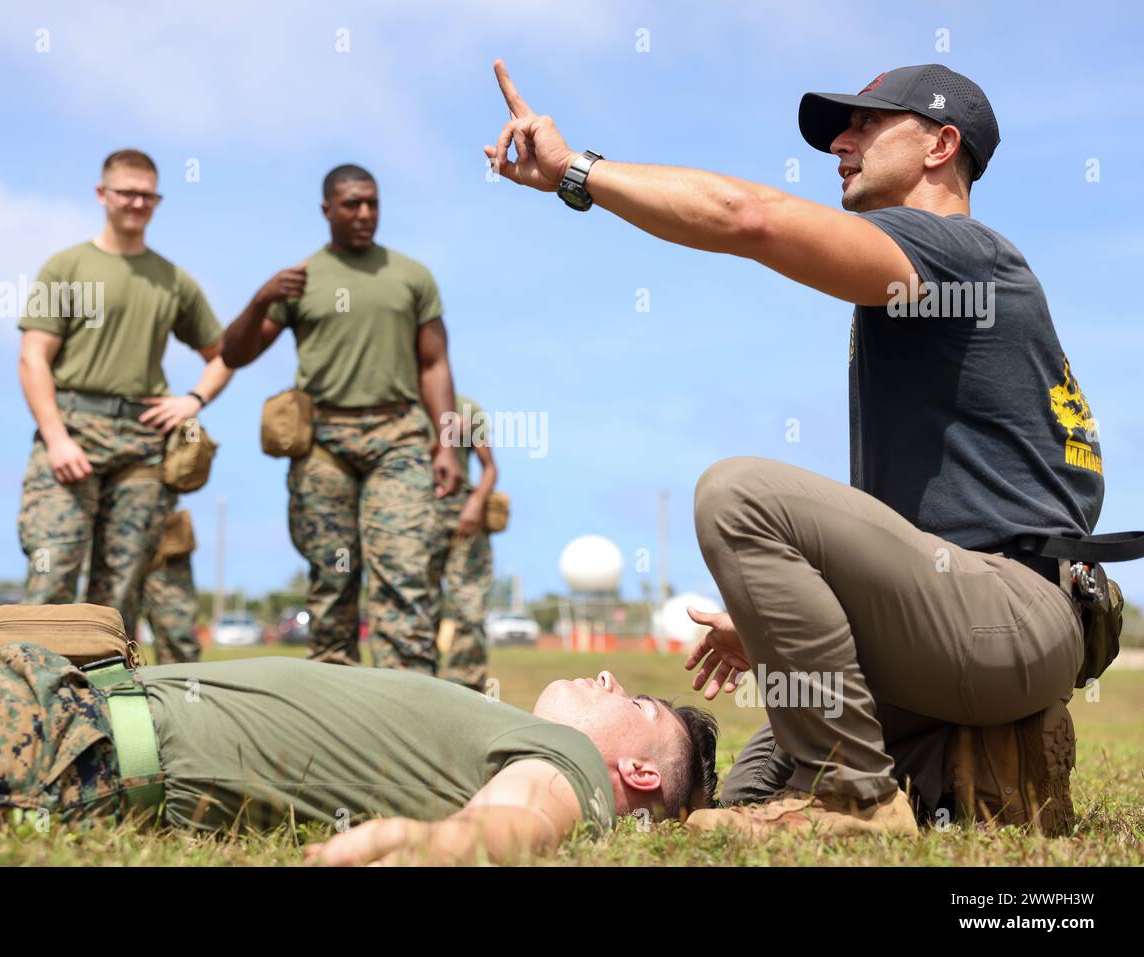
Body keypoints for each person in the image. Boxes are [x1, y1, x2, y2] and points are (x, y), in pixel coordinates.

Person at [484, 61, 1101, 836]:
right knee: (750, 787)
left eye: (867, 125)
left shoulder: (956, 253)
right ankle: (919, 784)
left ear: (943, 144)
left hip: (1010, 617)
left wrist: (580, 171)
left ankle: (861, 804)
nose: (841, 143)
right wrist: (788, 618)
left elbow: (752, 218)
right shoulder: (930, 288)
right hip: (971, 623)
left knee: (737, 493)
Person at [0, 642, 719, 866]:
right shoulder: (521, 738)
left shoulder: (565, 760)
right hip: (53, 716)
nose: (610, 677)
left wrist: (434, 845)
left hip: (56, 744)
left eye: (634, 702)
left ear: (636, 773)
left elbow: (523, 818)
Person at [221, 164, 461, 674]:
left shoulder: (411, 275)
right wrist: (261, 297)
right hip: (323, 444)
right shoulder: (300, 279)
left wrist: (446, 444)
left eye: (373, 203)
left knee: (404, 573)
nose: (365, 214)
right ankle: (336, 706)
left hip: (397, 439)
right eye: (352, 204)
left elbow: (434, 364)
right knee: (332, 579)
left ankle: (413, 705)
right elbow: (234, 353)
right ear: (327, 209)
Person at [16, 149, 234, 638]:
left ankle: (104, 708)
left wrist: (193, 401)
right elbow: (34, 359)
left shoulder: (174, 280)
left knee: (118, 594)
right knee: (52, 574)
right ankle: (24, 702)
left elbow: (223, 355)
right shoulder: (66, 266)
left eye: (147, 195)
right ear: (102, 195)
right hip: (72, 432)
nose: (137, 203)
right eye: (127, 192)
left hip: (142, 445)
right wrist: (56, 439)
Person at [429, 393, 497, 690]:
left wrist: (476, 503)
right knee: (413, 609)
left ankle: (465, 691)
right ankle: (415, 688)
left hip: (463, 518)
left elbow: (489, 467)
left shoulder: (468, 409)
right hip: (414, 517)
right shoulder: (398, 403)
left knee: (470, 610)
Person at [138, 510, 202, 664]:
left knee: (177, 634)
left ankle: (182, 686)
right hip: (104, 534)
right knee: (105, 633)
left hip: (165, 542)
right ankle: (110, 686)